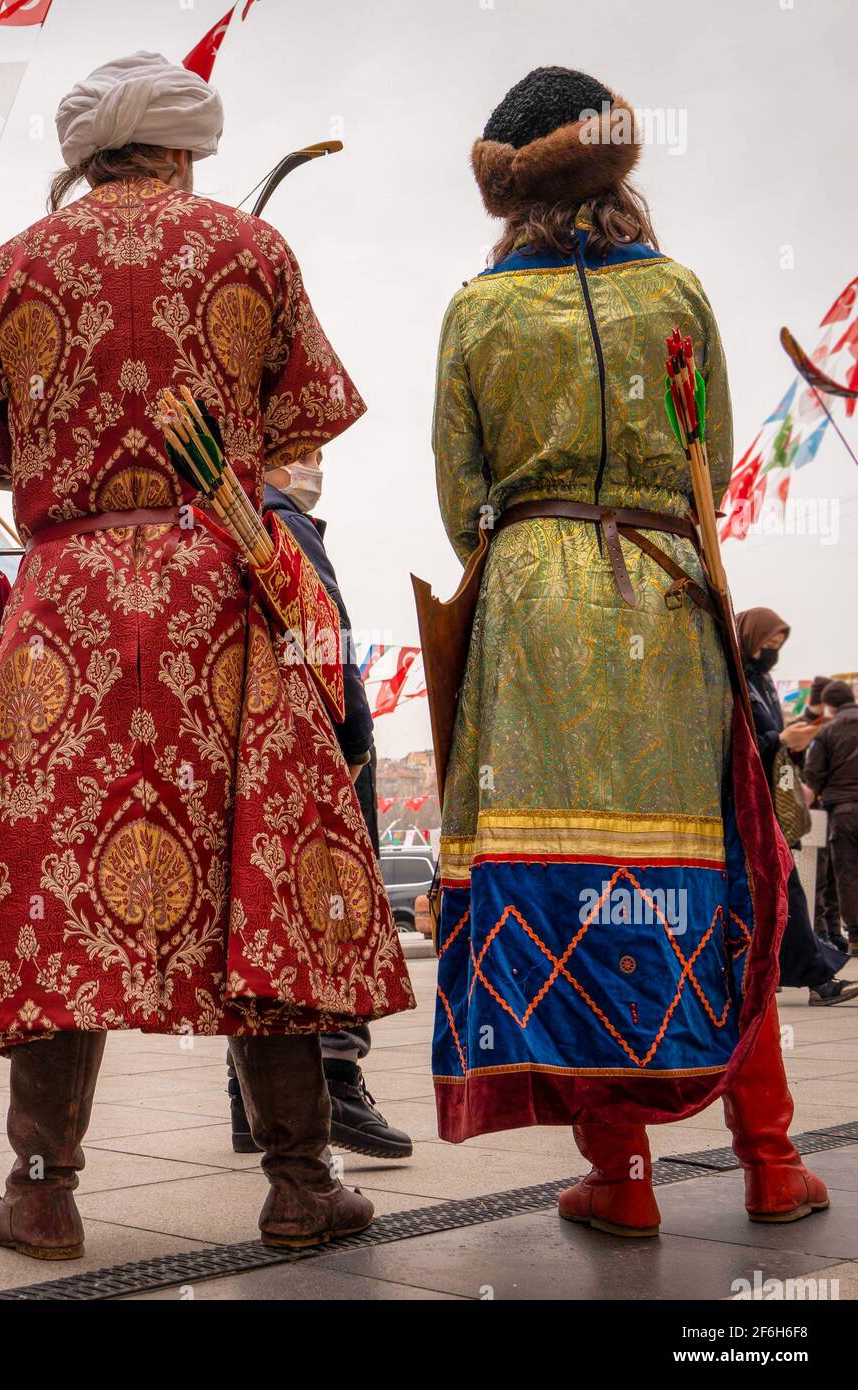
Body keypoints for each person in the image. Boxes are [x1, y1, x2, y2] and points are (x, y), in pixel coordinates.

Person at [0, 51, 414, 1260]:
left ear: (86, 154)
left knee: (49, 896)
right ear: (185, 147)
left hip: (65, 604)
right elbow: (300, 423)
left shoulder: (13, 264)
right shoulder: (251, 248)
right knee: (265, 873)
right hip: (217, 592)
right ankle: (299, 1185)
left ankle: (41, 1192)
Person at [429, 65, 827, 1237]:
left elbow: (462, 500)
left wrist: (527, 543)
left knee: (561, 892)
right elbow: (707, 453)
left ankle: (621, 1178)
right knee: (715, 869)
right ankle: (771, 1160)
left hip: (533, 610)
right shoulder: (679, 293)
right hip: (666, 599)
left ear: (508, 197)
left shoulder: (476, 311)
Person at [226, 450, 414, 1160]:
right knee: (329, 916)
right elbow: (327, 636)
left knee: (263, 922)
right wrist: (357, 735)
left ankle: (249, 1107)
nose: (316, 465)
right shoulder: (285, 523)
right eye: (303, 453)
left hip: (254, 749)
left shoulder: (219, 523)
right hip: (312, 746)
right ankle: (336, 1078)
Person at [738, 609, 856, 1004]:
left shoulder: (762, 683)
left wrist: (789, 739)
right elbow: (737, 743)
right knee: (781, 891)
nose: (772, 653)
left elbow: (767, 738)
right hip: (743, 806)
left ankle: (812, 977)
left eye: (778, 647)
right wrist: (781, 739)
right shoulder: (734, 680)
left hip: (767, 803)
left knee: (786, 891)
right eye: (767, 645)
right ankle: (814, 979)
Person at [803, 680, 858, 957]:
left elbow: (812, 780)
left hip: (844, 812)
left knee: (846, 873)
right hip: (844, 805)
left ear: (830, 706)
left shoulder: (826, 732)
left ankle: (856, 937)